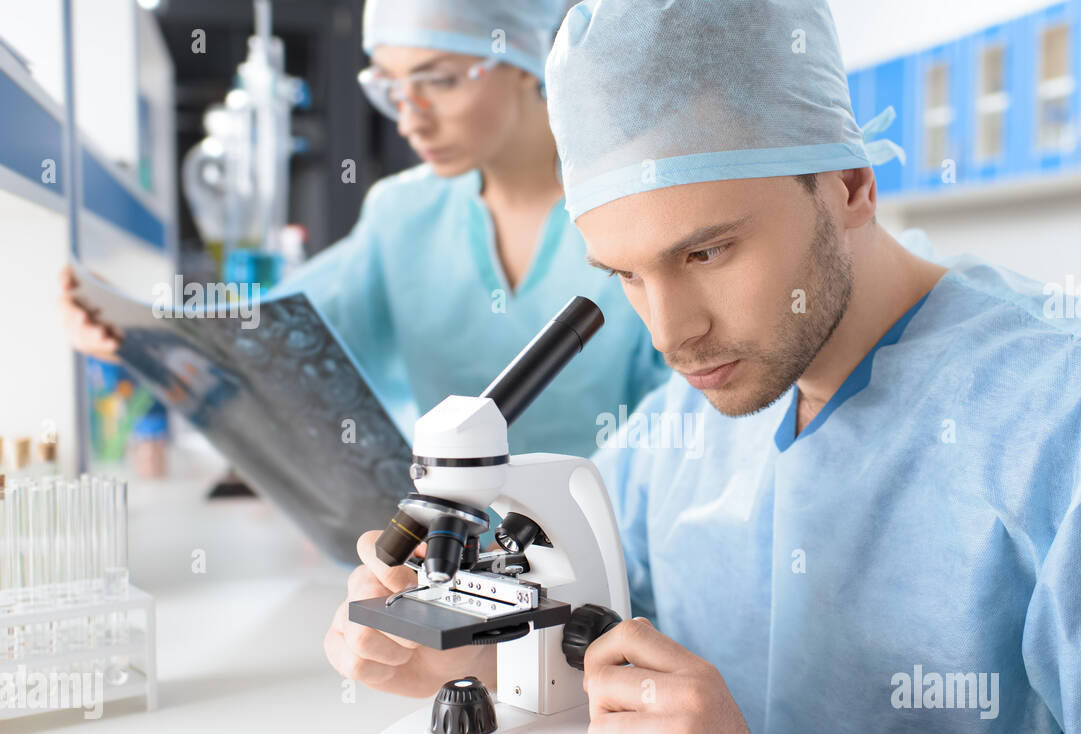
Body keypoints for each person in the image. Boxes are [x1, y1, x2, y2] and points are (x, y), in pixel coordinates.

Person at [329, 0, 1081, 734]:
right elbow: (604, 667)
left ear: (847, 184)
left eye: (706, 250)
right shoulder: (674, 439)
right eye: (624, 275)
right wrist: (457, 660)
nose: (670, 332)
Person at [58, 0, 665, 458]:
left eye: (437, 79)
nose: (409, 119)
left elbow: (687, 428)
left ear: (529, 57)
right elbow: (274, 339)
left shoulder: (636, 205)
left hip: (614, 545)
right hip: (453, 555)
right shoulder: (401, 217)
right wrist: (137, 326)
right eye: (390, 86)